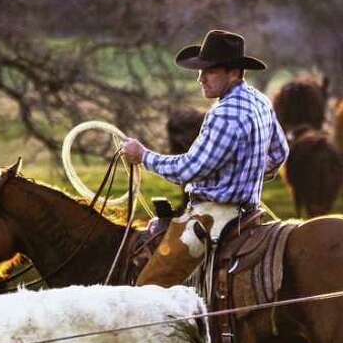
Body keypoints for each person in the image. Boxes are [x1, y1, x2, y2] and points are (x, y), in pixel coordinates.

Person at [121, 30, 288, 235]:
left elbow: (189, 170)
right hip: (248, 214)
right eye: (200, 71)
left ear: (234, 72)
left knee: (157, 265)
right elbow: (280, 153)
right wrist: (244, 173)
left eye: (210, 71)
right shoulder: (260, 100)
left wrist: (142, 156)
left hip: (214, 218)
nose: (201, 78)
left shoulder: (224, 114)